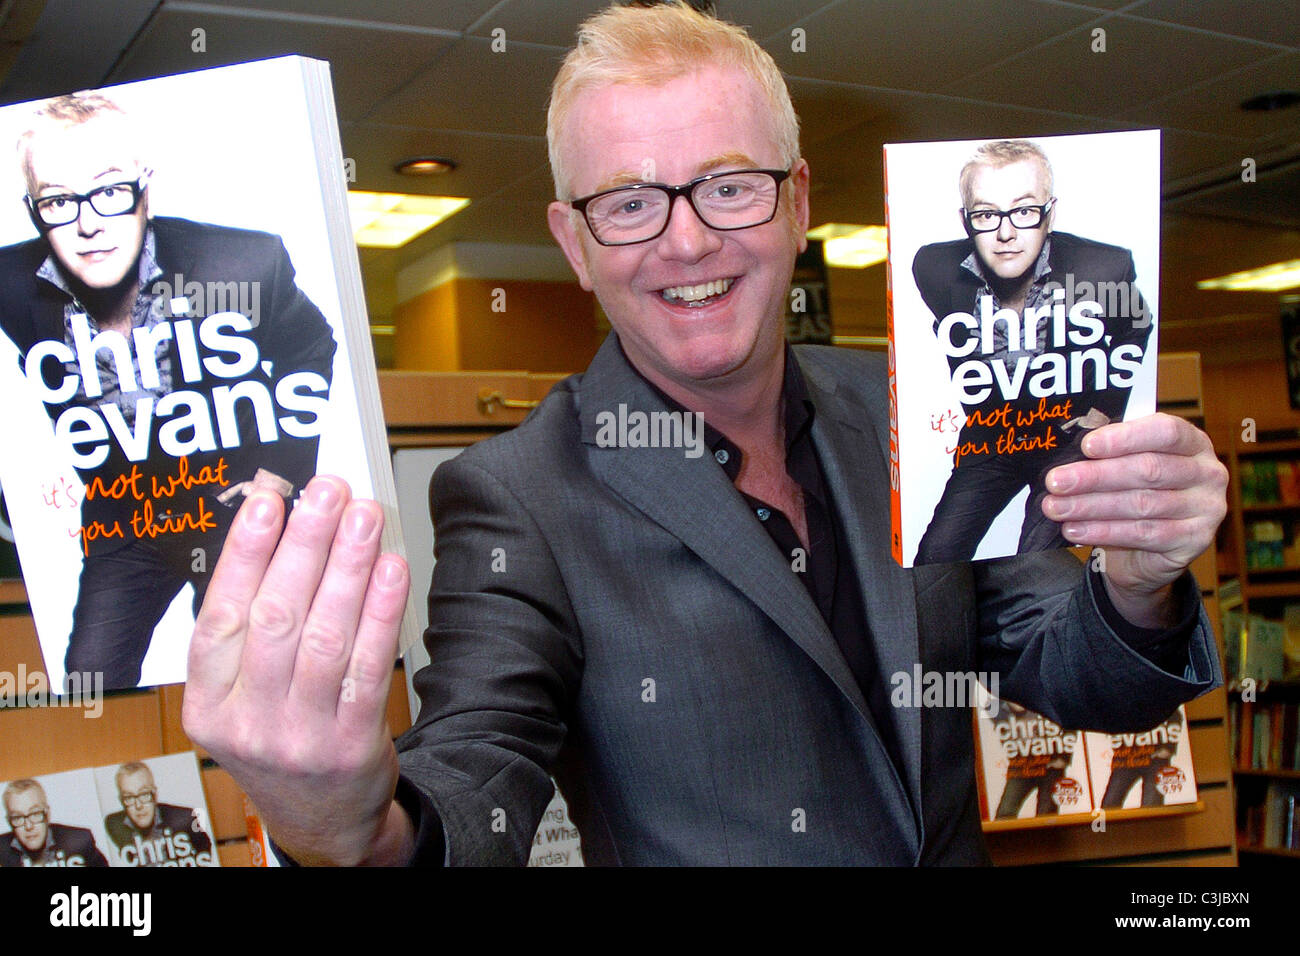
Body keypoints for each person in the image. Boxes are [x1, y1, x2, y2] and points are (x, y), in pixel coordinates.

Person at [182, 1, 1226, 866]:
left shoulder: (923, 408)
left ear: (797, 201)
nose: (687, 238)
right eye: (629, 202)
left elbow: (1083, 678)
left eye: (731, 186)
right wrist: (356, 827)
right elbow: (481, 763)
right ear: (575, 244)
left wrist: (1135, 582)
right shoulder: (516, 493)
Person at [0, 92, 337, 690]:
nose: (87, 224)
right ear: (33, 210)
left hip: (230, 508)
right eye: (57, 200)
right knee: (91, 686)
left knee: (248, 682)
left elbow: (310, 348)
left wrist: (280, 475)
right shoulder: (9, 284)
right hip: (124, 515)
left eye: (109, 191)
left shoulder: (242, 263)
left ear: (144, 188)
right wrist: (33, 481)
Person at [911, 139, 1153, 563]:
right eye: (987, 214)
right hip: (993, 435)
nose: (1006, 233)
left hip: (1065, 434)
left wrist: (1105, 411)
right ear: (966, 221)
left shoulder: (1103, 269)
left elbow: (1139, 324)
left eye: (1024, 211)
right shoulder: (934, 271)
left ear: (1050, 213)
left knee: (1036, 562)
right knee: (935, 557)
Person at [102, 761, 214, 866]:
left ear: (155, 794)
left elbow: (204, 852)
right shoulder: (114, 824)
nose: (138, 805)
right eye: (129, 797)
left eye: (144, 794)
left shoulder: (185, 819)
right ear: (121, 801)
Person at [0, 778, 108, 867]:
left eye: (35, 814)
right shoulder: (2, 852)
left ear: (47, 814)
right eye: (18, 817)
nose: (28, 826)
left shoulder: (79, 842)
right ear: (9, 821)